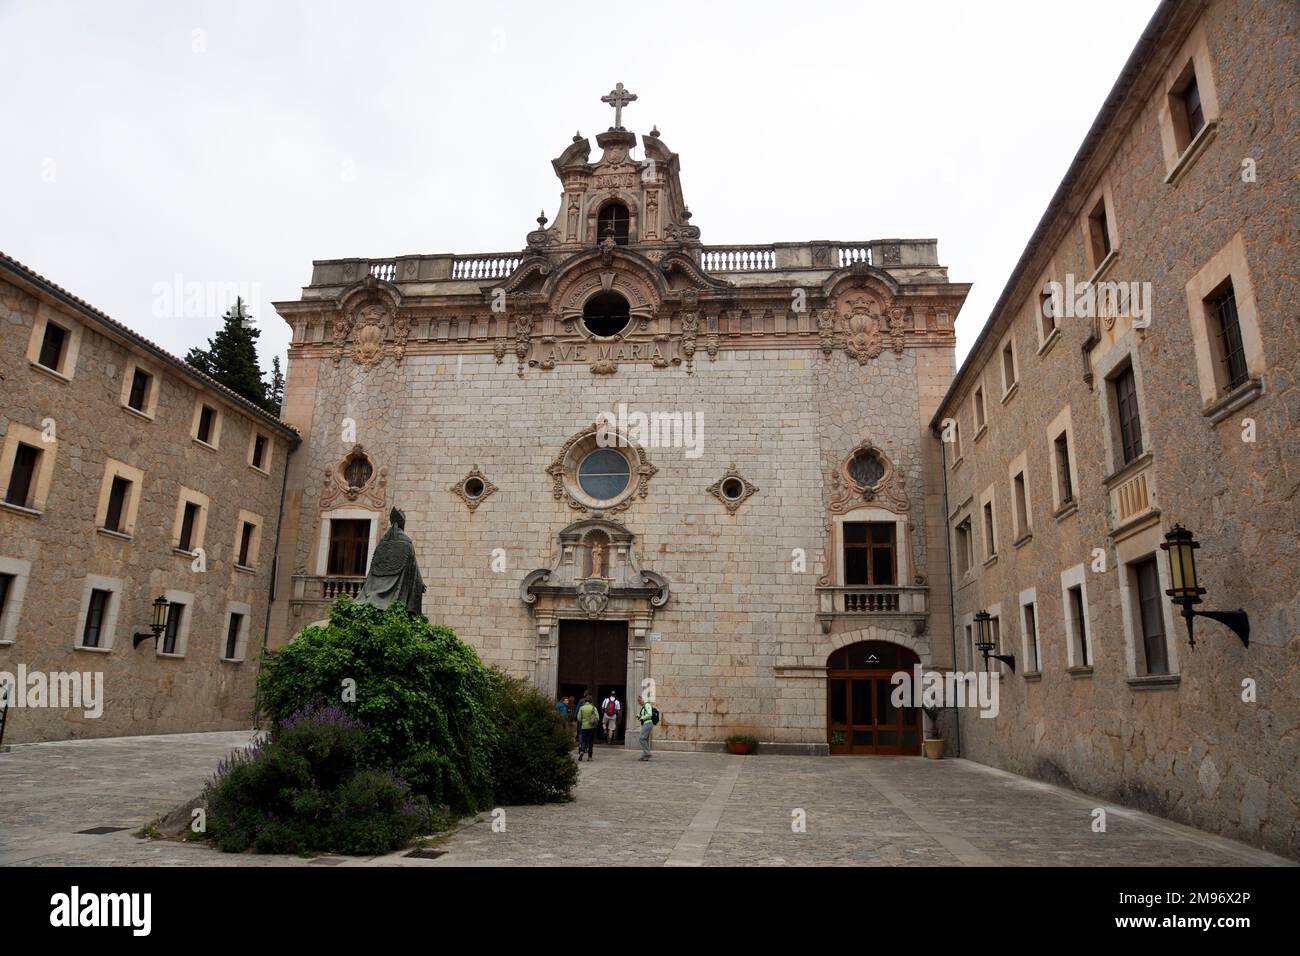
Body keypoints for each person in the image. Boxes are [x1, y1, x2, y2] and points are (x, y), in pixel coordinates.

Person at [576, 694, 600, 762]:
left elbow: (579, 718)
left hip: (584, 727)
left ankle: (582, 751)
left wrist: (583, 721)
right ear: (591, 701)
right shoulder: (593, 708)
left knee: (583, 740)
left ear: (585, 701)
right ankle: (590, 757)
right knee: (590, 742)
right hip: (592, 727)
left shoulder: (582, 708)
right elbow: (598, 717)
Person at [637, 694, 654, 761]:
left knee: (641, 738)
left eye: (639, 700)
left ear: (643, 699)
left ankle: (647, 753)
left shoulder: (647, 705)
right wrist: (640, 717)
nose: (639, 702)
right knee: (645, 739)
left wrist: (642, 717)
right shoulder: (644, 706)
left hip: (648, 723)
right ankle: (645, 756)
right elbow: (645, 715)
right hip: (646, 723)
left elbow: (650, 714)